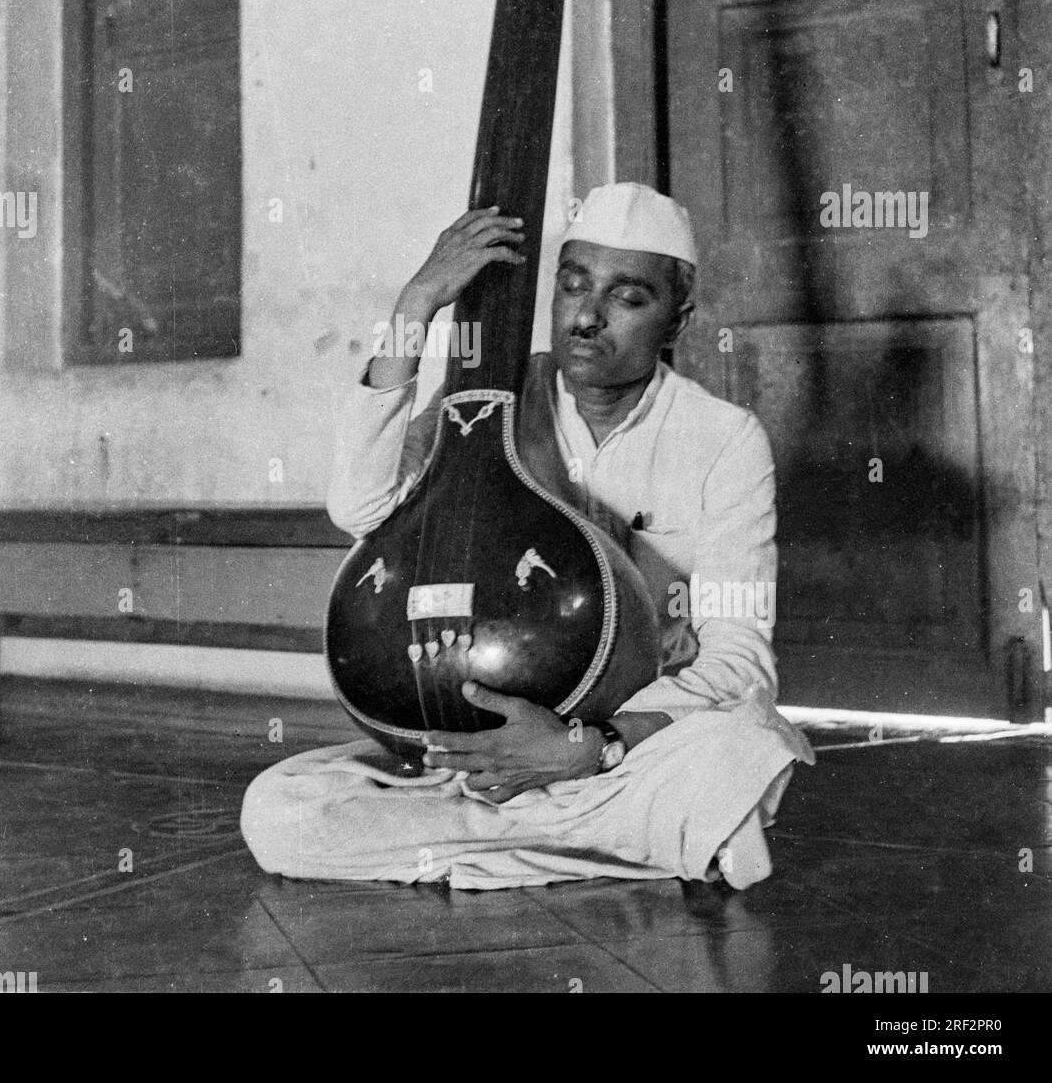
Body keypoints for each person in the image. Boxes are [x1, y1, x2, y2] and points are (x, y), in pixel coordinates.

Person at [241, 182, 815, 891]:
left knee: (744, 746)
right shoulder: (485, 408)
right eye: (571, 287)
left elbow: (737, 662)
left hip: (624, 743)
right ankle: (616, 844)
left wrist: (588, 748)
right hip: (486, 739)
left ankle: (480, 847)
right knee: (277, 809)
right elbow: (359, 505)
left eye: (626, 299)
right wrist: (414, 307)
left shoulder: (725, 441)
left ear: (676, 321)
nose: (586, 317)